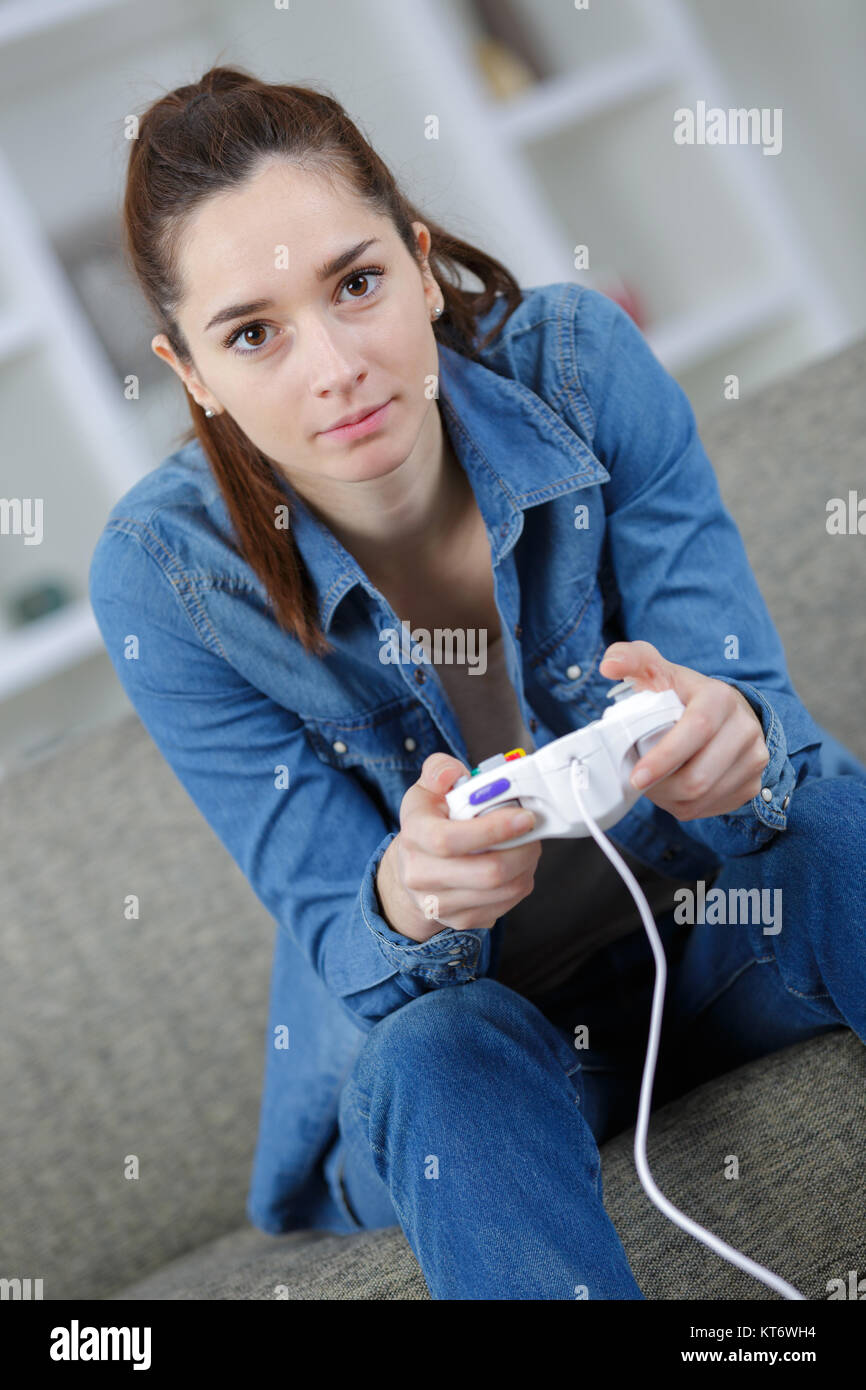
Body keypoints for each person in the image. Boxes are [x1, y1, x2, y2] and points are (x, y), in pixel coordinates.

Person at [89, 64, 866, 1300]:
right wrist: (408, 895)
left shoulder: (577, 363)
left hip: (707, 946)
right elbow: (341, 938)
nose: (335, 366)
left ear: (415, 254)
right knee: (439, 1052)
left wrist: (737, 746)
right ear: (190, 371)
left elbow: (776, 749)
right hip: (479, 1046)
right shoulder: (166, 584)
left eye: (354, 283)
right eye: (252, 333)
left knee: (836, 825)